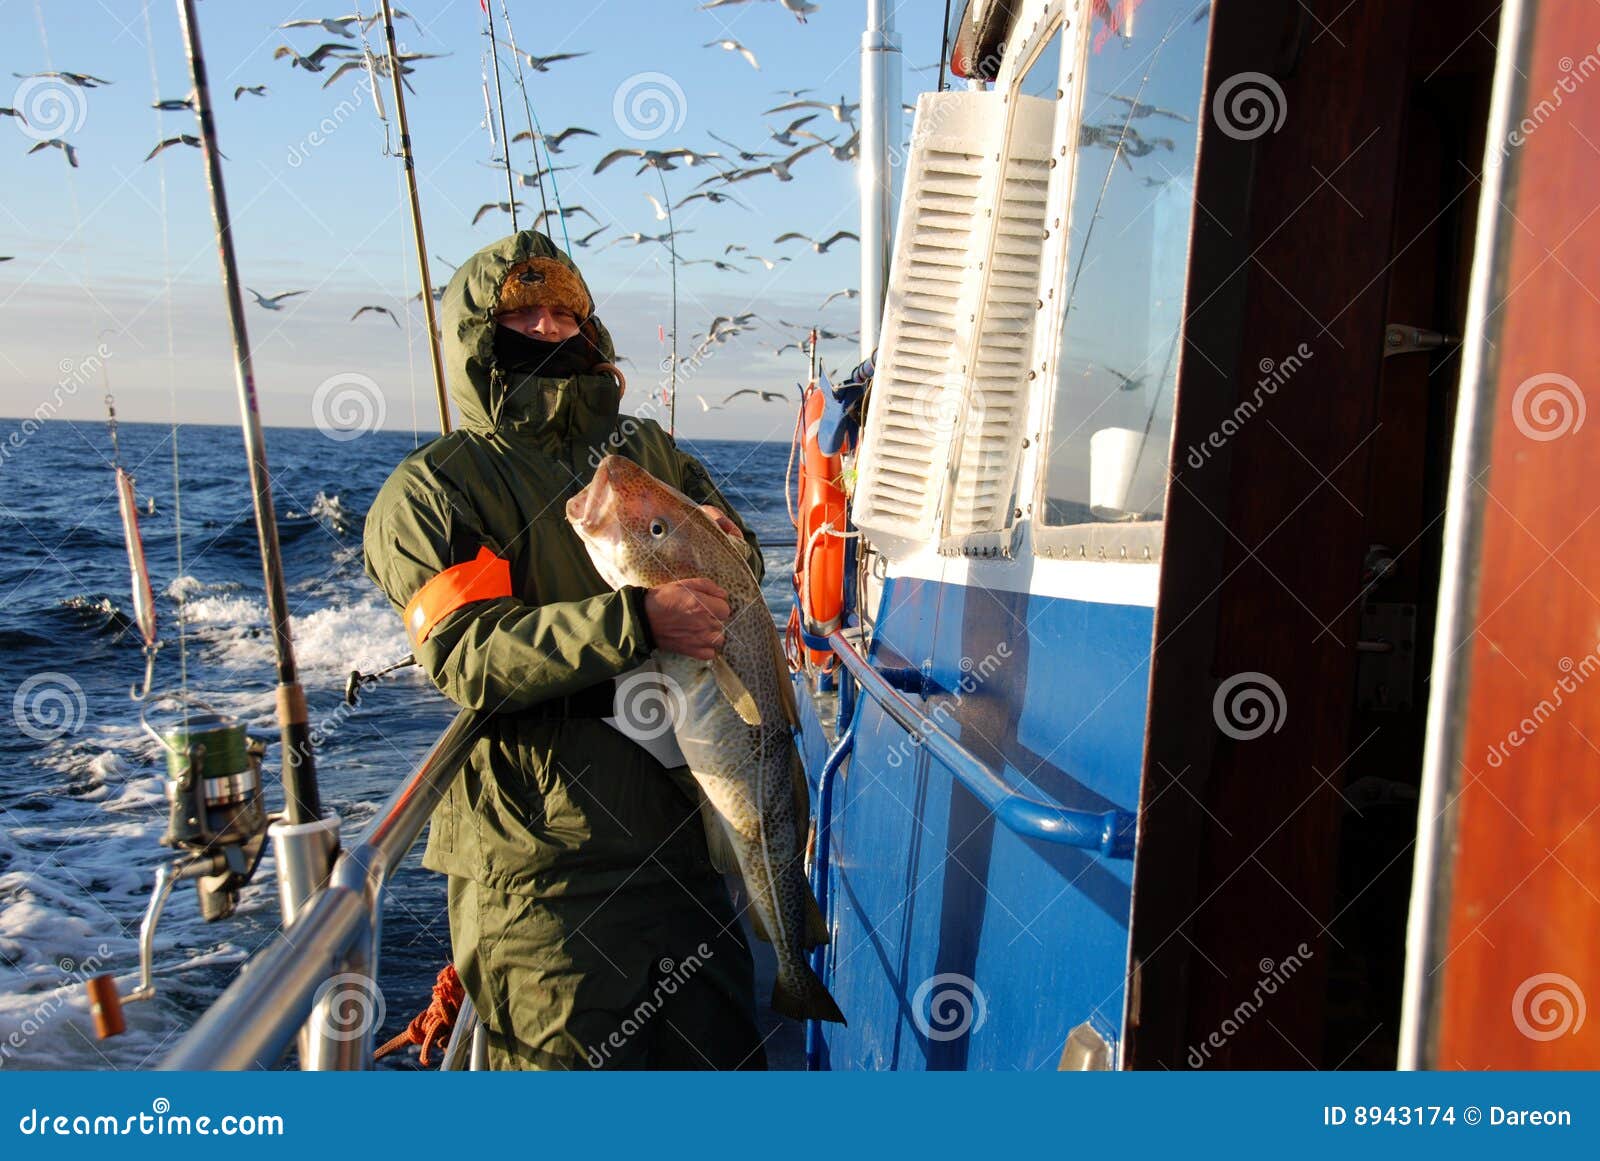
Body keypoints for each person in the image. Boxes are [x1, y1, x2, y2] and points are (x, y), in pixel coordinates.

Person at [363, 229, 767, 1070]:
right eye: (521, 313)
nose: (547, 327)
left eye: (563, 310)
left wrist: (729, 544)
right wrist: (637, 623)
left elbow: (745, 560)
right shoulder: (435, 488)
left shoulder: (646, 452)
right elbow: (468, 651)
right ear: (477, 338)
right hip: (547, 885)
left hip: (685, 857)